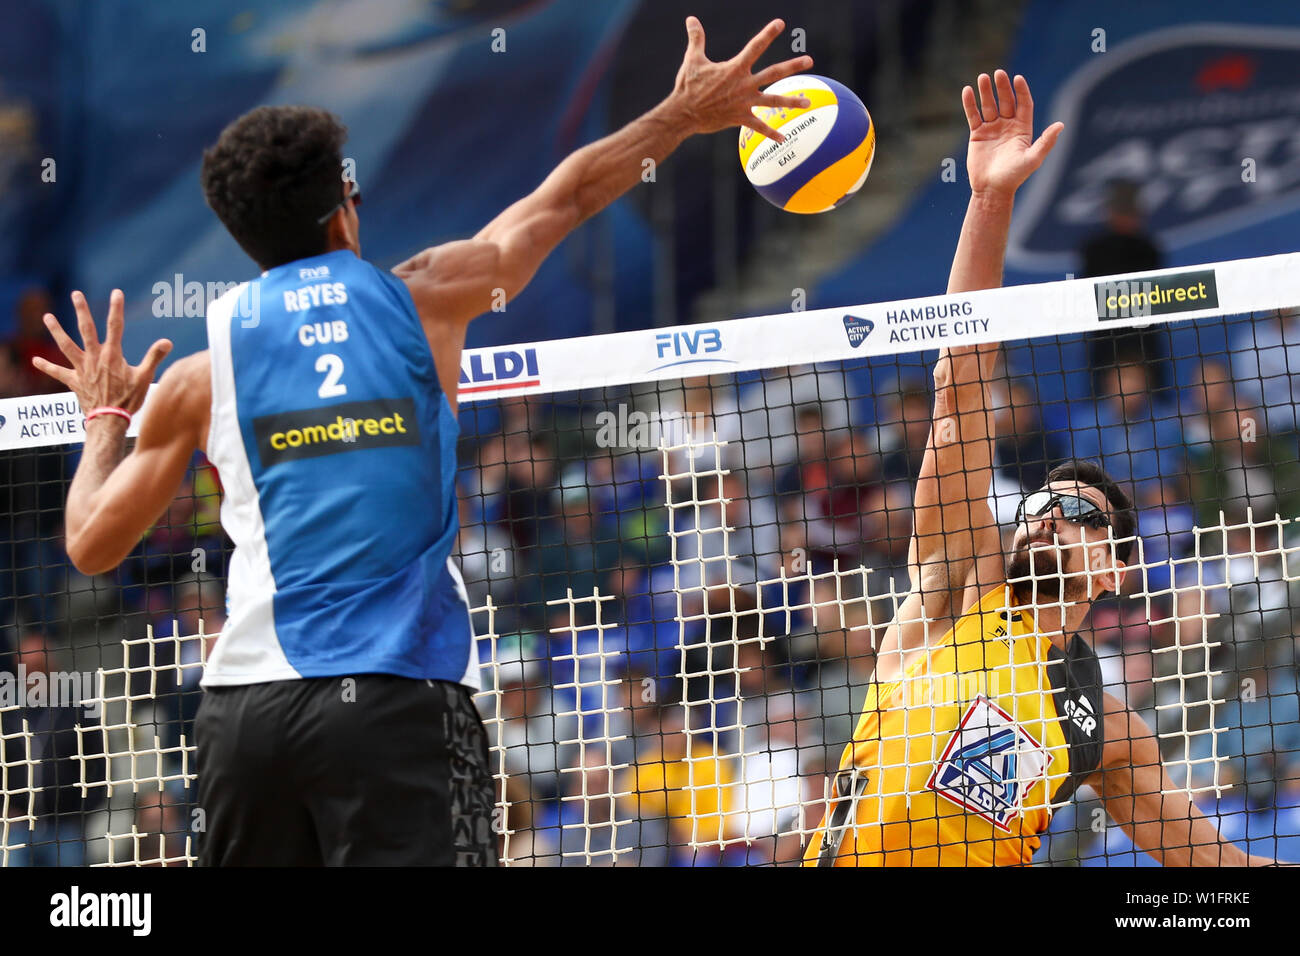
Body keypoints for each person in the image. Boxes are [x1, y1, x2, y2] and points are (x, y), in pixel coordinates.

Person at [31, 16, 816, 867]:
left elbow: (91, 543)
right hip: (390, 704)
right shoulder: (428, 297)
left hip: (246, 718)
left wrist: (103, 422)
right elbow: (567, 197)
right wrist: (681, 114)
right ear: (346, 214)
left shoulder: (200, 374)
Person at [806, 70, 1284, 867]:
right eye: (1040, 503)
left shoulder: (1106, 728)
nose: (1049, 514)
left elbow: (1220, 872)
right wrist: (990, 198)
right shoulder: (960, 589)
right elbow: (961, 384)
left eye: (1082, 514)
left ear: (1117, 569)